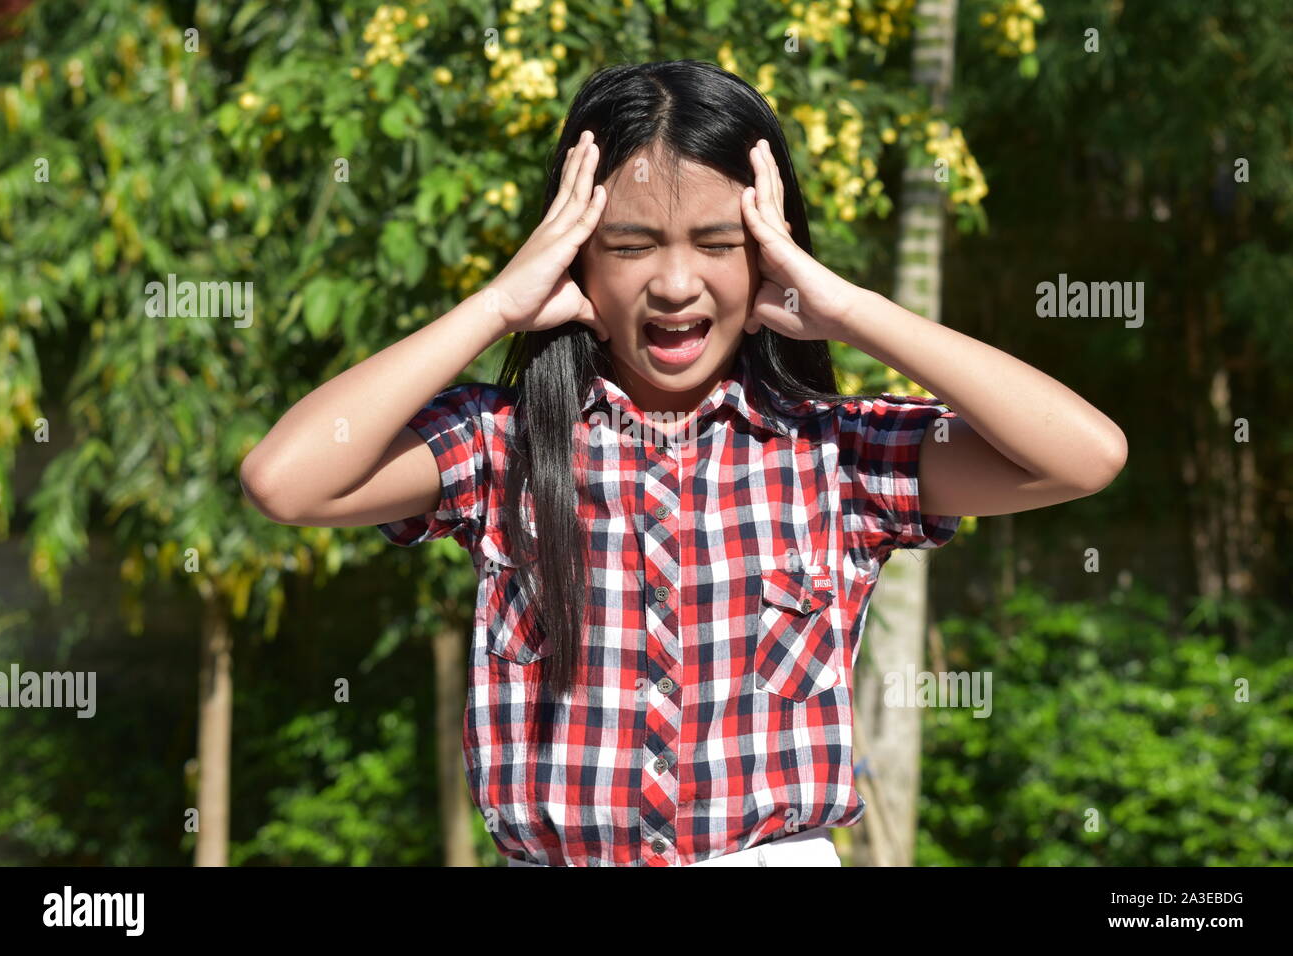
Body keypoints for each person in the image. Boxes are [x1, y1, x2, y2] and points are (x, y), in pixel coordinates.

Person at [240, 60, 1127, 867]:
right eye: (630, 246)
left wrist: (851, 310)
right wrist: (497, 304)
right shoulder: (499, 445)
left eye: (718, 243)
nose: (673, 284)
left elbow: (1084, 456)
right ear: (574, 256)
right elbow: (286, 480)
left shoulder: (837, 455)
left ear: (772, 253)